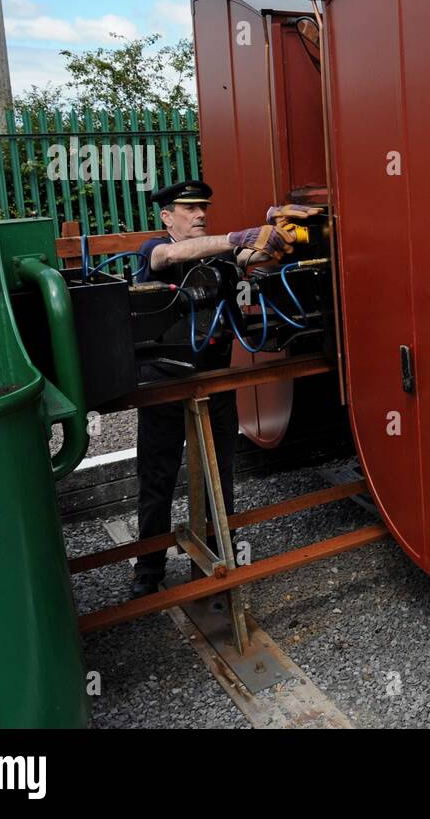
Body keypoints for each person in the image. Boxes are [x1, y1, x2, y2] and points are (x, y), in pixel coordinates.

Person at [130, 180, 302, 598]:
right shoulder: (155, 248)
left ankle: (217, 557)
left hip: (215, 379)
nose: (200, 214)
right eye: (188, 209)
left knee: (218, 474)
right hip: (163, 381)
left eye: (203, 206)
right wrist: (233, 238)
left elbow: (252, 254)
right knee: (158, 476)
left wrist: (276, 233)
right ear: (166, 215)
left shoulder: (221, 254)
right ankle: (148, 569)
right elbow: (170, 255)